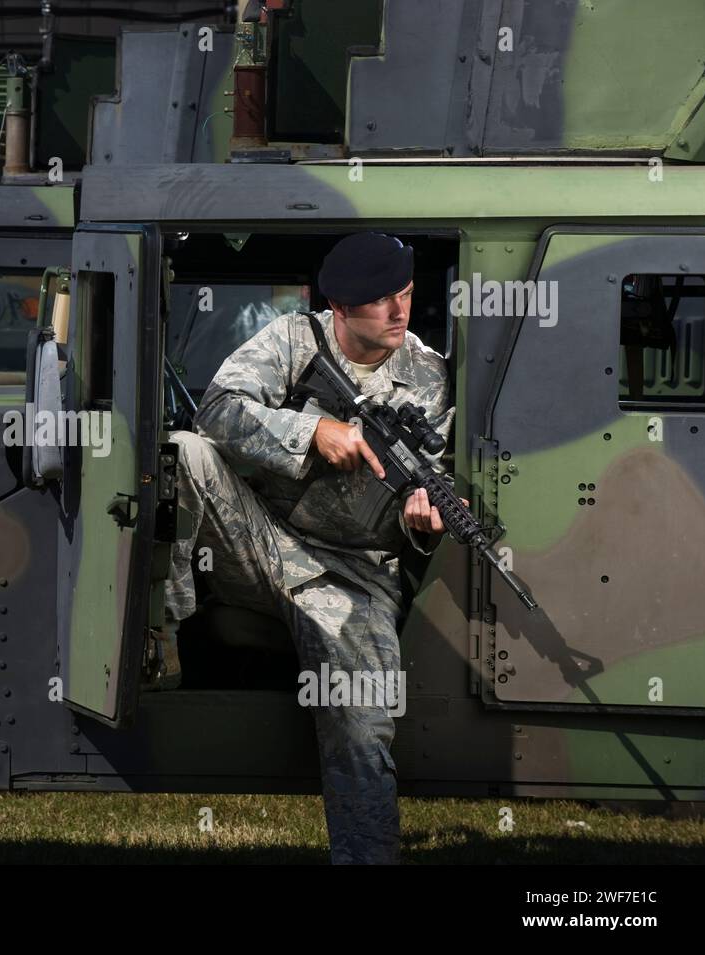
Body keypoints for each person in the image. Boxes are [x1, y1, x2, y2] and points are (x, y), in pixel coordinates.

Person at [162, 232, 455, 864]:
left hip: (354, 573)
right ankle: (164, 633)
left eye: (404, 292)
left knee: (362, 718)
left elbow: (426, 485)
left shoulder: (429, 375)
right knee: (185, 451)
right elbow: (218, 409)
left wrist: (421, 521)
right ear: (341, 308)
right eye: (380, 301)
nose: (399, 310)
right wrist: (311, 430)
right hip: (261, 539)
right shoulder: (296, 340)